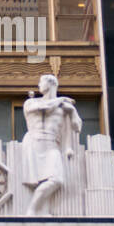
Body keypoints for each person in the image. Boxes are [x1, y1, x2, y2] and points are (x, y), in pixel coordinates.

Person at [20, 73, 82, 216]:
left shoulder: (64, 108)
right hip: (35, 142)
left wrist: (73, 111)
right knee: (43, 180)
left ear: (51, 83)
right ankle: (35, 211)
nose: (39, 85)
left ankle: (34, 209)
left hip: (52, 145)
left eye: (41, 82)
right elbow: (45, 108)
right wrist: (62, 100)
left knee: (56, 180)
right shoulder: (31, 102)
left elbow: (75, 127)